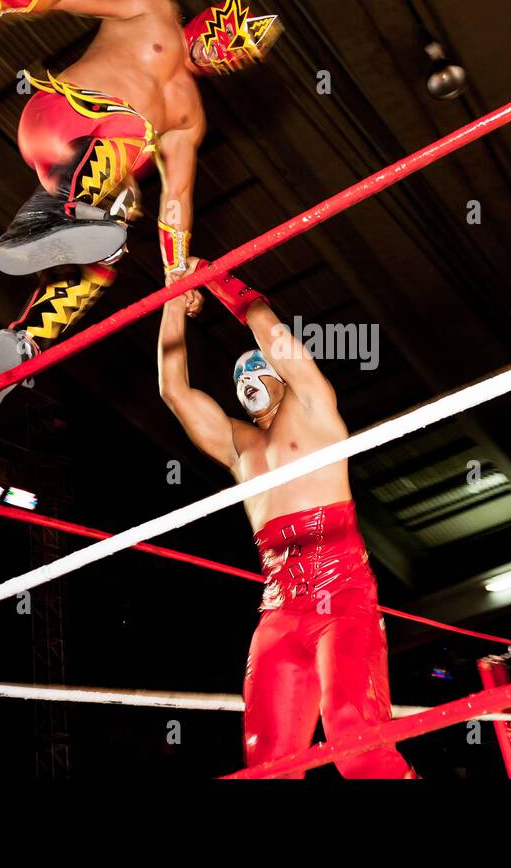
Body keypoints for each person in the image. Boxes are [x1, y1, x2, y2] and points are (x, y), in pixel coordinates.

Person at [0, 0, 280, 405]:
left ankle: (21, 342)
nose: (216, 55)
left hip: (80, 172)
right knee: (134, 127)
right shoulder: (152, 5)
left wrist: (177, 275)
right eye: (223, 40)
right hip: (60, 115)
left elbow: (176, 199)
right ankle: (48, 217)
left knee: (111, 240)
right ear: (213, 17)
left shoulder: (190, 114)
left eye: (231, 59)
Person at [157, 259, 416, 778]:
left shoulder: (315, 408)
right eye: (237, 376)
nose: (245, 379)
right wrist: (172, 298)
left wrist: (222, 283)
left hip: (341, 589)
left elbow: (278, 341)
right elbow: (174, 391)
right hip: (278, 605)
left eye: (254, 368)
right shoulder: (239, 446)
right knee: (267, 758)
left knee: (355, 737)